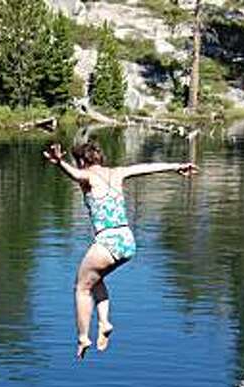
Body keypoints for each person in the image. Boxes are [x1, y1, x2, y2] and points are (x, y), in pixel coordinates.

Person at [42, 139, 198, 360]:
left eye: (77, 162)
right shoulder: (118, 173)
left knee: (81, 287)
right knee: (95, 279)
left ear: (82, 161)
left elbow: (76, 176)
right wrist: (176, 166)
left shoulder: (87, 176)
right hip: (127, 240)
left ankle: (83, 337)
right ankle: (104, 322)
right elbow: (145, 168)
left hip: (107, 241)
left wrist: (59, 163)